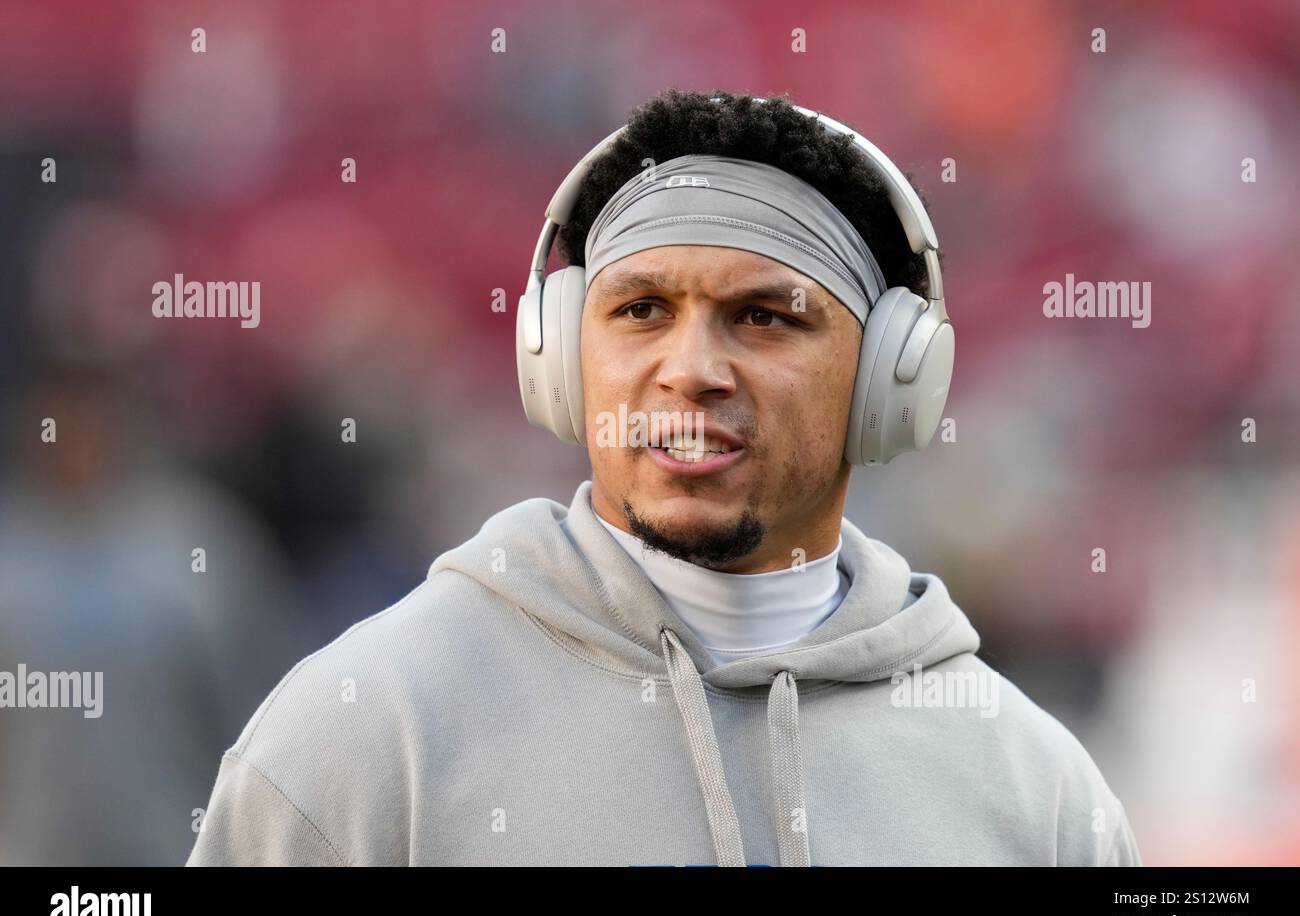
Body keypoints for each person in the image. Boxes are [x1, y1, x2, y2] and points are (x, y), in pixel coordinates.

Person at [187, 89, 1142, 866]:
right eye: (641, 310)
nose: (691, 368)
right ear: (557, 359)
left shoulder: (1033, 790)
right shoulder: (366, 732)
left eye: (766, 318)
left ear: (892, 381)